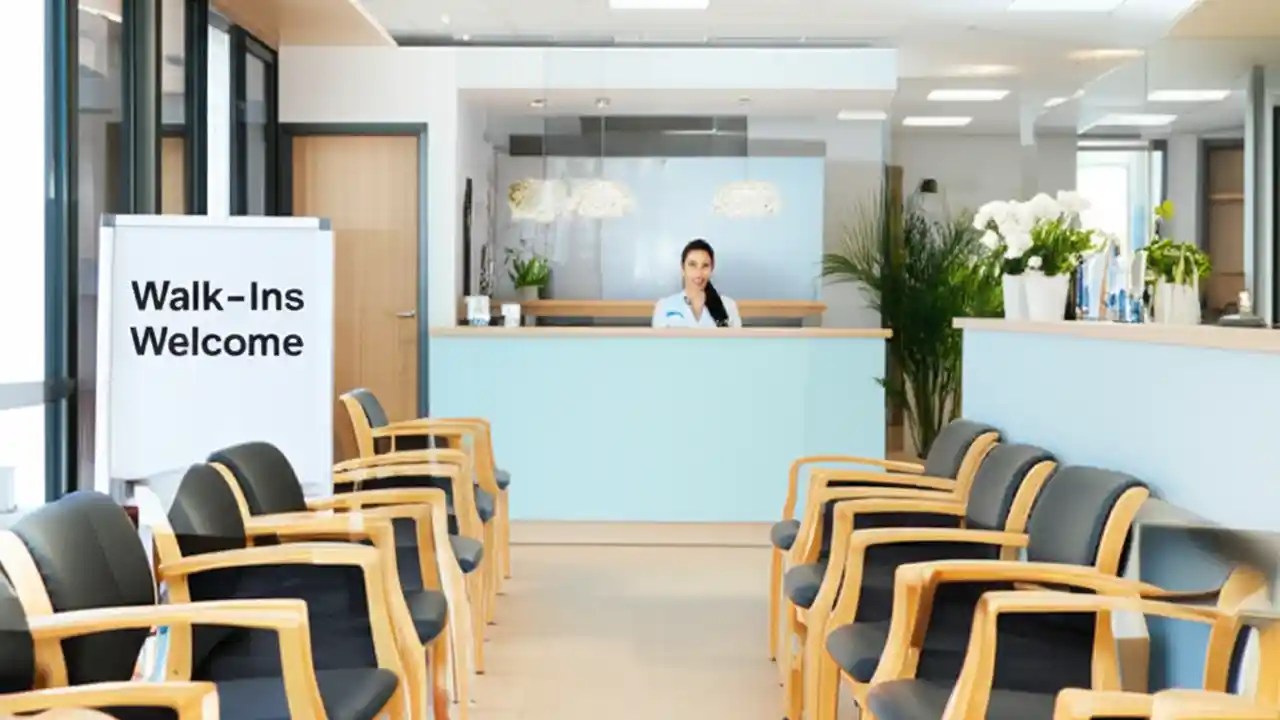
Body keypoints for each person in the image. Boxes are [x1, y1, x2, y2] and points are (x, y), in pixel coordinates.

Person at [651, 239, 742, 328]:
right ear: (683, 268)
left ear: (712, 269)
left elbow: (737, 342)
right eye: (692, 265)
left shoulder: (728, 306)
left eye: (705, 266)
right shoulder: (664, 306)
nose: (699, 273)